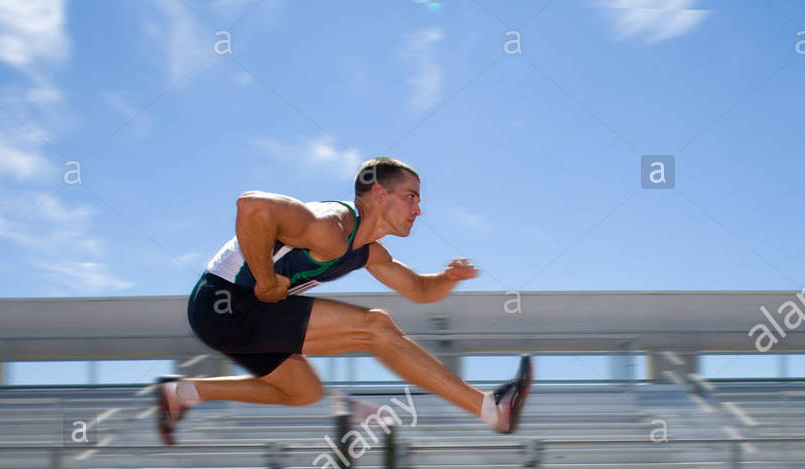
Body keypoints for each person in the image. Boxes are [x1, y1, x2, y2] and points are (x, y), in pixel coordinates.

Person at [155, 156, 532, 444]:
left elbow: (418, 290)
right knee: (376, 326)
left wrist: (447, 279)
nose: (419, 210)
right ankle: (489, 408)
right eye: (411, 197)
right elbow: (252, 206)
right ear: (379, 194)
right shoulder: (330, 225)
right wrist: (267, 281)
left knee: (304, 391)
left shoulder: (368, 251)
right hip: (222, 302)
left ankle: (182, 393)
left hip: (246, 317)